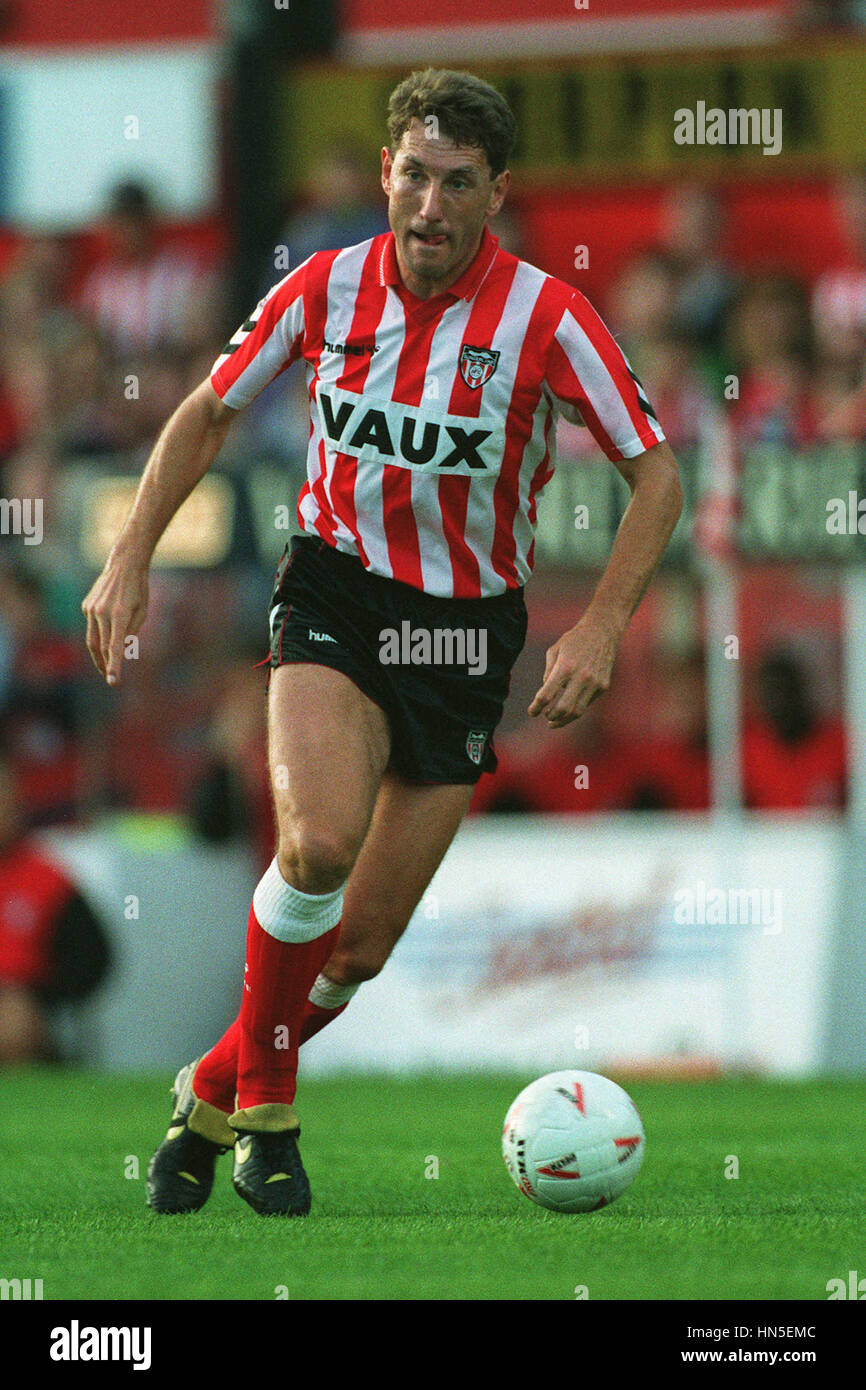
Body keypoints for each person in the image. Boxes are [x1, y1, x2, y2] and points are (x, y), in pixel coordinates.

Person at [82, 68, 682, 1217]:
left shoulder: (548, 320)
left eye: (458, 182)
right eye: (413, 174)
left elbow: (655, 472)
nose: (430, 204)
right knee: (314, 843)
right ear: (383, 176)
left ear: (493, 194)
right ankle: (266, 1117)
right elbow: (209, 410)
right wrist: (129, 556)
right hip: (336, 594)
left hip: (464, 634)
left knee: (356, 949)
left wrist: (600, 624)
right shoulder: (324, 285)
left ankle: (208, 1092)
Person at [0, 756, 111, 1063]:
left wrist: (43, 998)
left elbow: (94, 958)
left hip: (23, 1005)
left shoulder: (49, 881)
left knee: (12, 1017)